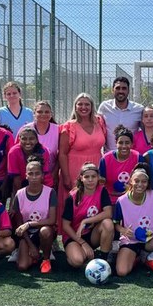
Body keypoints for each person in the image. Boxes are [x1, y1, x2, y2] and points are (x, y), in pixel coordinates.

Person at [113, 166, 153, 276]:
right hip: (131, 240)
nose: (140, 184)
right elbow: (115, 223)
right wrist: (123, 230)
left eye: (144, 182)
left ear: (148, 183)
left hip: (150, 238)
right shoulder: (121, 201)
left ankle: (150, 258)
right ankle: (137, 257)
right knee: (122, 272)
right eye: (136, 181)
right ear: (130, 182)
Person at [58, 93, 107, 228]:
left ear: (92, 106)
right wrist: (66, 176)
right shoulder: (68, 127)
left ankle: (92, 236)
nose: (83, 107)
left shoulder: (100, 122)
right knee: (76, 202)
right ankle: (72, 238)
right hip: (74, 169)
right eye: (80, 104)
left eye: (87, 104)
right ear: (75, 106)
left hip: (96, 166)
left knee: (94, 202)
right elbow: (62, 153)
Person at [61, 163, 115, 269]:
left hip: (92, 234)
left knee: (108, 223)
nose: (90, 180)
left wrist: (85, 221)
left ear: (98, 177)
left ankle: (103, 261)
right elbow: (65, 225)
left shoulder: (102, 190)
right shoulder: (73, 196)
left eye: (93, 176)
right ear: (81, 178)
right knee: (77, 261)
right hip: (75, 236)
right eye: (87, 177)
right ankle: (74, 254)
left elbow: (108, 213)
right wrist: (82, 243)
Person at [10, 159, 57, 274]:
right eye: (31, 173)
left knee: (45, 231)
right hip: (26, 234)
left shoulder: (50, 192)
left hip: (45, 231)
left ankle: (46, 259)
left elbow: (52, 220)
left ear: (42, 175)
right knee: (22, 266)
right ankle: (33, 255)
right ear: (26, 175)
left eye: (37, 173)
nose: (34, 177)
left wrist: (29, 223)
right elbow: (19, 223)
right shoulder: (19, 194)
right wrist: (30, 245)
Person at [97, 76, 144, 151]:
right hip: (109, 155)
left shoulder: (139, 109)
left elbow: (147, 130)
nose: (121, 91)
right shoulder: (104, 107)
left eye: (124, 88)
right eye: (118, 88)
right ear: (113, 90)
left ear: (129, 91)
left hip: (130, 156)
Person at [98, 126, 143, 200]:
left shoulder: (138, 158)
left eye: (127, 143)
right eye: (121, 143)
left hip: (131, 198)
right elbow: (100, 183)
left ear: (132, 143)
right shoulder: (105, 159)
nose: (124, 146)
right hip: (110, 199)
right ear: (116, 143)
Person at [22, 100, 59, 187]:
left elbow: (61, 154)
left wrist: (55, 173)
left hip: (50, 175)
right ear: (34, 114)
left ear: (51, 114)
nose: (43, 114)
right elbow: (17, 150)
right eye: (39, 112)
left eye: (47, 112)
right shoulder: (25, 129)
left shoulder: (58, 130)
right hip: (29, 175)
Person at [6, 126, 52, 197]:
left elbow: (43, 176)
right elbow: (16, 180)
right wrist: (21, 197)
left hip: (41, 181)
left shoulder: (43, 151)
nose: (27, 142)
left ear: (37, 140)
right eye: (24, 139)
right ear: (19, 139)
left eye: (31, 139)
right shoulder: (13, 152)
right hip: (20, 181)